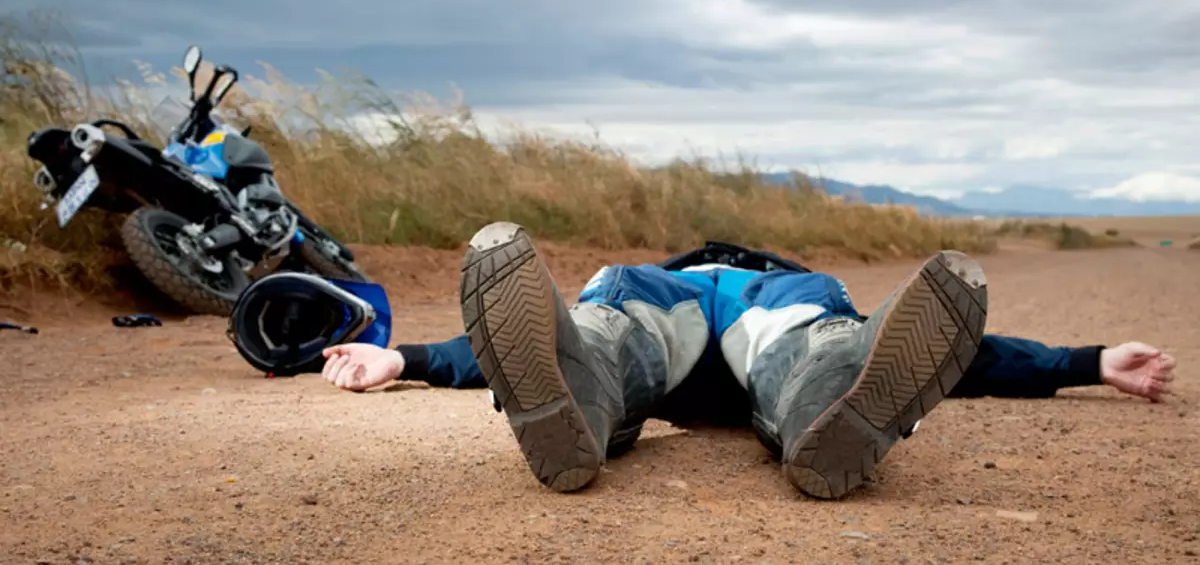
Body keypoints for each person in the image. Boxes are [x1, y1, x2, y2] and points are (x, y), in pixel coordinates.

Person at [301, 224, 1175, 499]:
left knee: (613, 329)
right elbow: (522, 337)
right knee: (609, 337)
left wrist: (1087, 358)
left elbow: (954, 353)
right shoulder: (773, 281)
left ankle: (825, 395)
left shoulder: (722, 277)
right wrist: (402, 356)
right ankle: (820, 403)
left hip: (689, 316)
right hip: (744, 321)